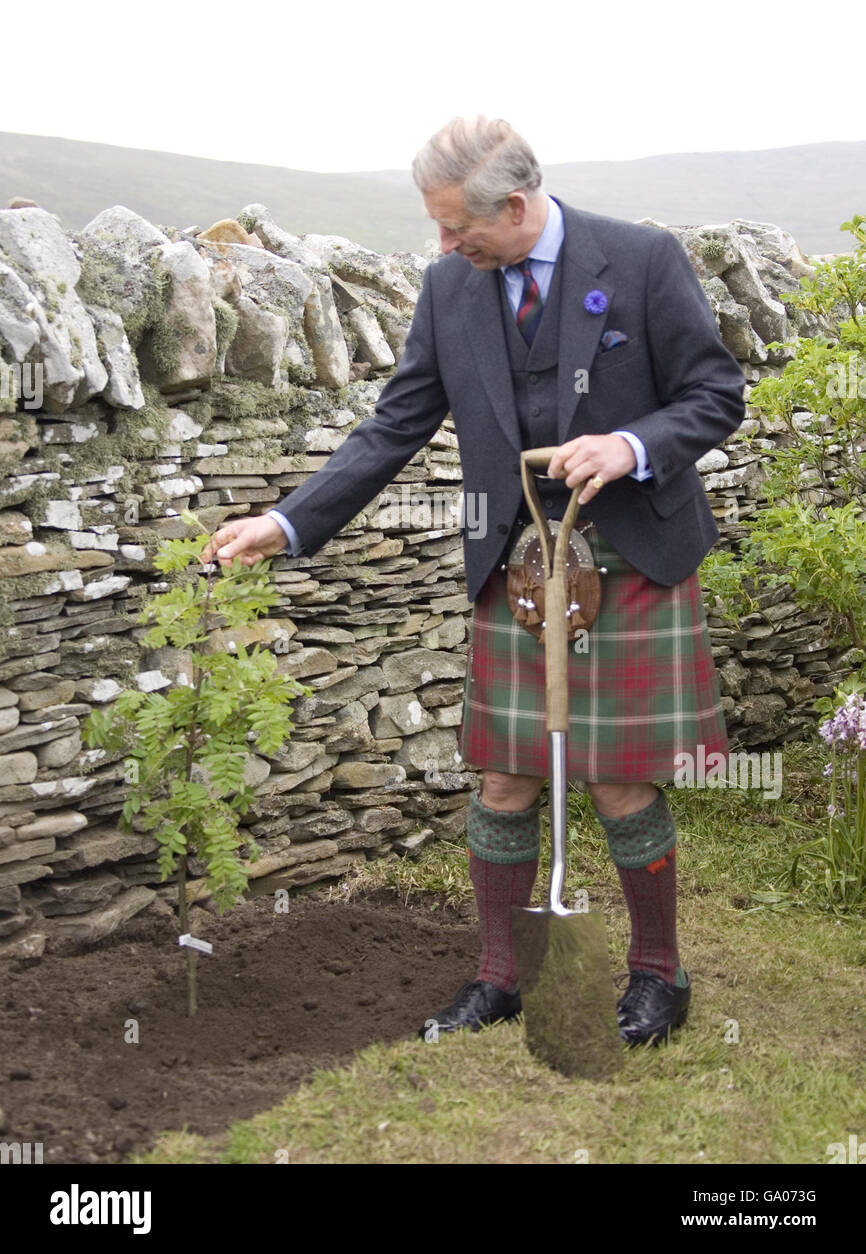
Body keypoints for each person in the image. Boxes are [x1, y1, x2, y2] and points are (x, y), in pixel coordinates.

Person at [201, 116, 747, 1047]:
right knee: (504, 779)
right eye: (440, 229)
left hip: (631, 554)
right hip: (520, 561)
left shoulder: (644, 260)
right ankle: (500, 975)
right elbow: (395, 423)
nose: (446, 245)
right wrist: (287, 521)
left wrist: (629, 444)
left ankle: (659, 974)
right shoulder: (452, 286)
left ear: (520, 206)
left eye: (460, 227)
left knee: (619, 782)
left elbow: (714, 394)